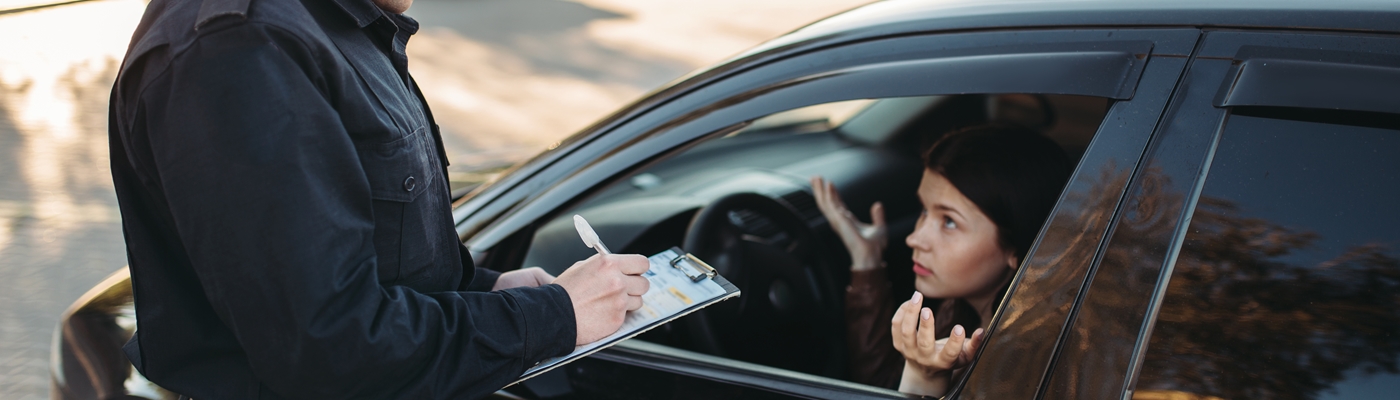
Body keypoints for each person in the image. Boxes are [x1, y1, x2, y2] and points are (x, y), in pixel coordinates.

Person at [107, 0, 650, 398]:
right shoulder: (239, 49)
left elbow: (370, 264)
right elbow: (332, 349)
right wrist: (551, 316)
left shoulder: (329, 22)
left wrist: (487, 291)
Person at [811, 124, 1072, 397]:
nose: (915, 238)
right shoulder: (960, 308)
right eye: (925, 210)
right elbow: (884, 385)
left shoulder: (1022, 368)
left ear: (1016, 249)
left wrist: (924, 380)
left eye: (949, 221)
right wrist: (867, 260)